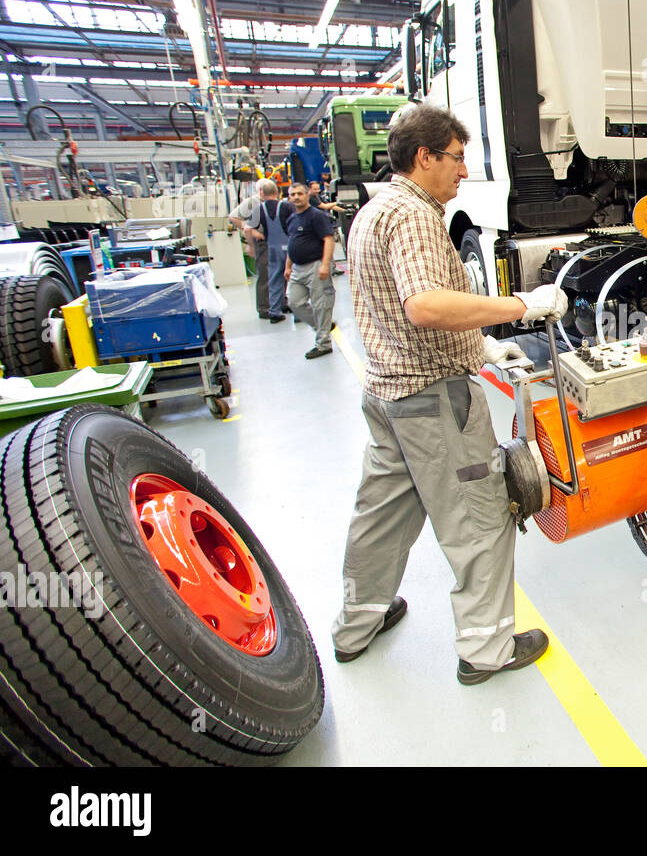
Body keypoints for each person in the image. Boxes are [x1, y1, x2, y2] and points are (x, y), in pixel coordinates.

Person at [331, 104, 567, 686]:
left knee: (381, 517)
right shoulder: (414, 216)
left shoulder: (374, 209)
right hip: (434, 404)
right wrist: (521, 305)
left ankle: (357, 623)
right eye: (457, 158)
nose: (463, 171)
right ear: (424, 157)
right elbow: (424, 305)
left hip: (388, 396)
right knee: (480, 519)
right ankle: (486, 649)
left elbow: (393, 307)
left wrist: (480, 346)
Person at [283, 182, 336, 359]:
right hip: (297, 268)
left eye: (300, 193)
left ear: (307, 195)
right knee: (294, 303)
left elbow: (329, 240)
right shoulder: (292, 218)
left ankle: (323, 344)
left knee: (321, 306)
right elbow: (292, 243)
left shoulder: (316, 216)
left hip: (315, 266)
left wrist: (325, 264)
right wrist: (288, 266)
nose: (296, 197)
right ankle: (323, 326)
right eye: (293, 194)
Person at [228, 178, 288, 319]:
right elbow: (233, 217)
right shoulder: (252, 202)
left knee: (281, 273)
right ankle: (264, 308)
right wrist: (251, 231)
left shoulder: (277, 203)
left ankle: (280, 303)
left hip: (278, 241)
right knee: (266, 275)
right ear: (260, 191)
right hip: (262, 242)